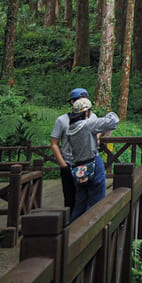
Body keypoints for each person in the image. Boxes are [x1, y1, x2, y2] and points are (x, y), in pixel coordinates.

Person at [60, 95, 120, 221]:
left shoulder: (71, 128)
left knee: (80, 202)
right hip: (93, 164)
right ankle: (91, 233)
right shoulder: (88, 125)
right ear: (86, 112)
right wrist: (109, 113)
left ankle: (73, 230)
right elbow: (113, 121)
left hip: (77, 167)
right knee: (96, 201)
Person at [49, 87, 89, 216]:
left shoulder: (91, 118)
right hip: (68, 164)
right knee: (70, 198)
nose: (82, 103)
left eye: (85, 100)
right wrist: (63, 165)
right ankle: (70, 229)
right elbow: (54, 143)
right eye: (79, 100)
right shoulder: (62, 120)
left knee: (87, 197)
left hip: (86, 164)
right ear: (72, 102)